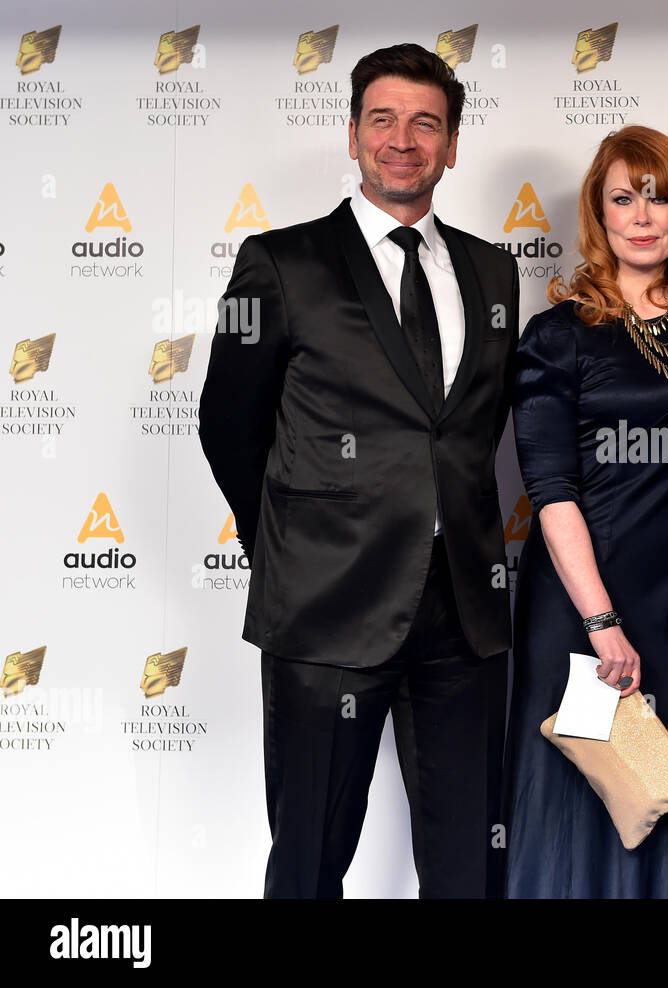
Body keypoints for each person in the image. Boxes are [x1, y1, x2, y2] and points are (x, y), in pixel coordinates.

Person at [197, 43, 519, 898]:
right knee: (309, 856)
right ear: (351, 135)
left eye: (426, 123)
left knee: (468, 865)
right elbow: (228, 424)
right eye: (383, 119)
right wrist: (289, 545)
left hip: (464, 614)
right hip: (324, 608)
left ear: (453, 145)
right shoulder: (279, 263)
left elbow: (471, 427)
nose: (403, 140)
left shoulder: (495, 269)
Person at [502, 126, 668, 898]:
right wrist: (601, 621)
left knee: (663, 793)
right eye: (622, 199)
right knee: (579, 797)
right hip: (581, 602)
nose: (642, 216)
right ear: (597, 216)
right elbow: (550, 488)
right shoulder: (559, 335)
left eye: (658, 195)